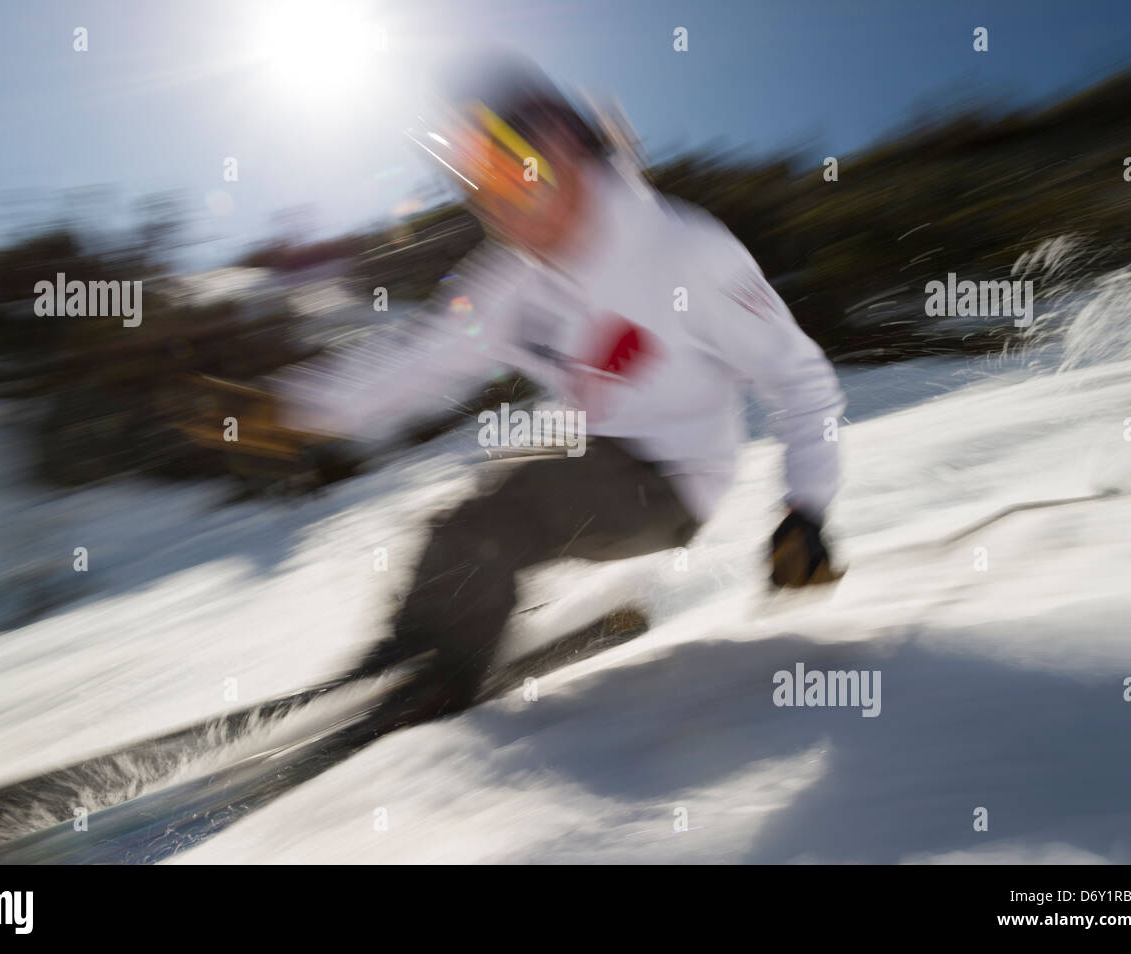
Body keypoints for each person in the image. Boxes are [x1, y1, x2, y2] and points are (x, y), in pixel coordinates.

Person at [280, 55, 847, 715]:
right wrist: (292, 409)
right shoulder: (513, 277)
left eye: (516, 170)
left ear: (572, 154)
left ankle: (435, 690)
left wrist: (804, 510)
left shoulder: (683, 251)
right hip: (593, 453)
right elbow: (421, 360)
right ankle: (414, 651)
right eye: (478, 178)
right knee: (459, 520)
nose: (500, 201)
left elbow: (796, 375)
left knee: (493, 521)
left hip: (677, 479)